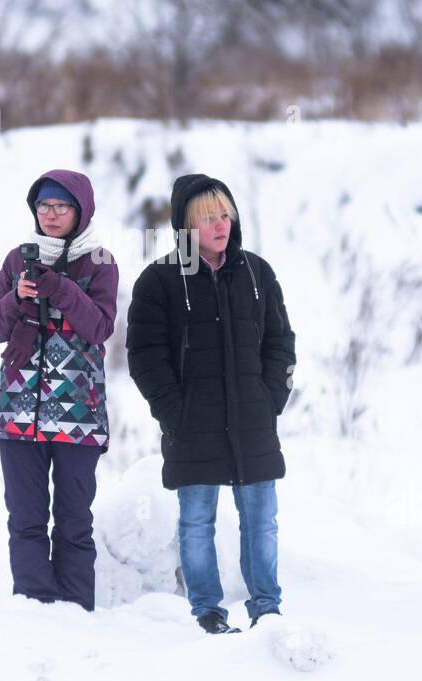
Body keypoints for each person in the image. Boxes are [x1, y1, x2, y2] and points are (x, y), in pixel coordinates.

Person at [126, 174, 296, 634]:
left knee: (261, 521)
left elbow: (281, 341)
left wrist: (271, 398)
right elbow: (144, 356)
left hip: (252, 422)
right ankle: (208, 612)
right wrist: (173, 411)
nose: (221, 225)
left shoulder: (257, 274)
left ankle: (267, 610)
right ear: (186, 225)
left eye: (225, 214)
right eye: (208, 218)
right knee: (197, 522)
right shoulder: (160, 280)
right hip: (192, 425)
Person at [0, 171, 118, 611]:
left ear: (81, 210)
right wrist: (14, 300)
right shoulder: (17, 259)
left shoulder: (99, 261)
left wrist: (60, 287)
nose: (51, 214)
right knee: (25, 519)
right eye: (43, 206)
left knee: (75, 521)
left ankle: (77, 608)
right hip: (17, 411)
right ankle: (34, 607)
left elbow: (99, 327)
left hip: (78, 413)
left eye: (61, 206)